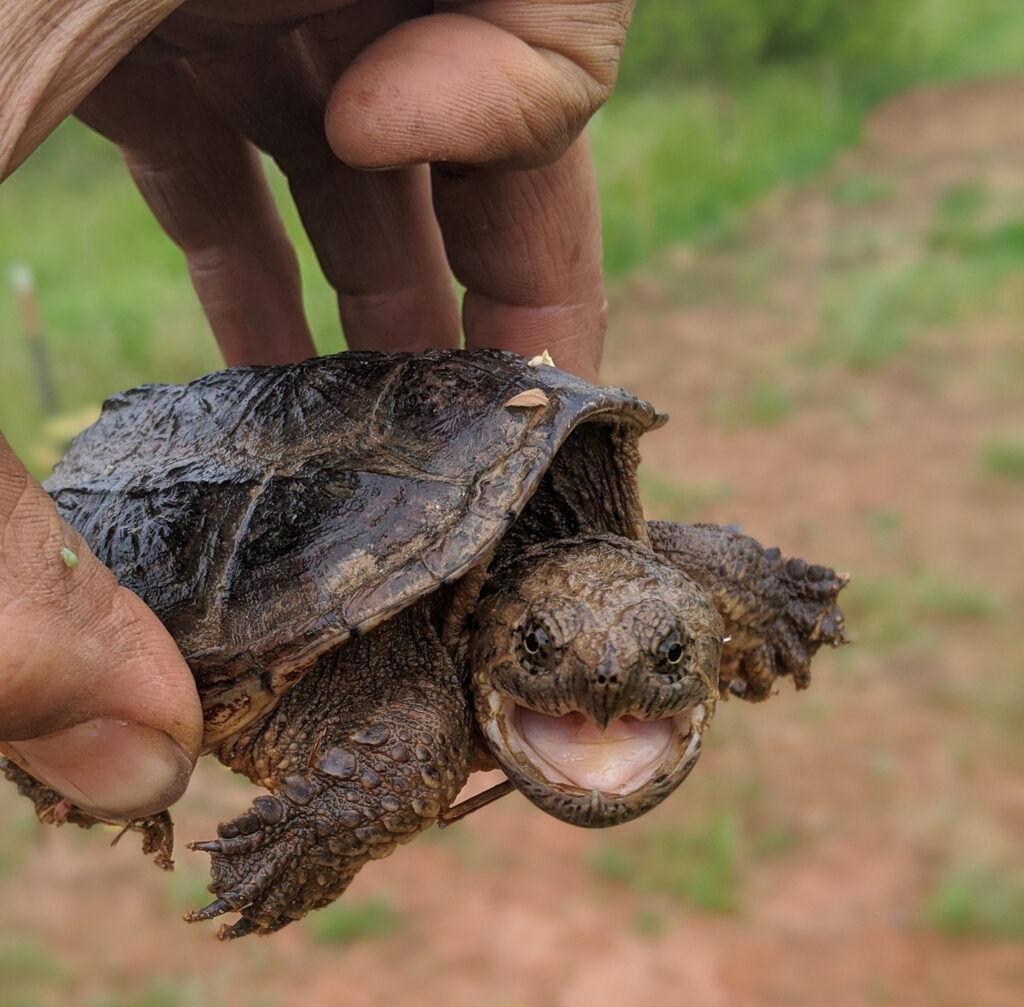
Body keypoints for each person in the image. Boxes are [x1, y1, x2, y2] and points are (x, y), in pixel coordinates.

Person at [0, 0, 634, 822]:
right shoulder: (416, 721)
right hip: (162, 531)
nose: (611, 690)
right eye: (542, 650)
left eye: (667, 655)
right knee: (401, 766)